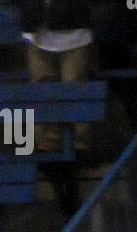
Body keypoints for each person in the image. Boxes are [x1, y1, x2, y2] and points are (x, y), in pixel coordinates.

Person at [20, 1, 95, 152]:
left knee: (74, 87)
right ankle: (47, 144)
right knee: (42, 89)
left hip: (75, 34)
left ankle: (80, 145)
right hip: (37, 33)